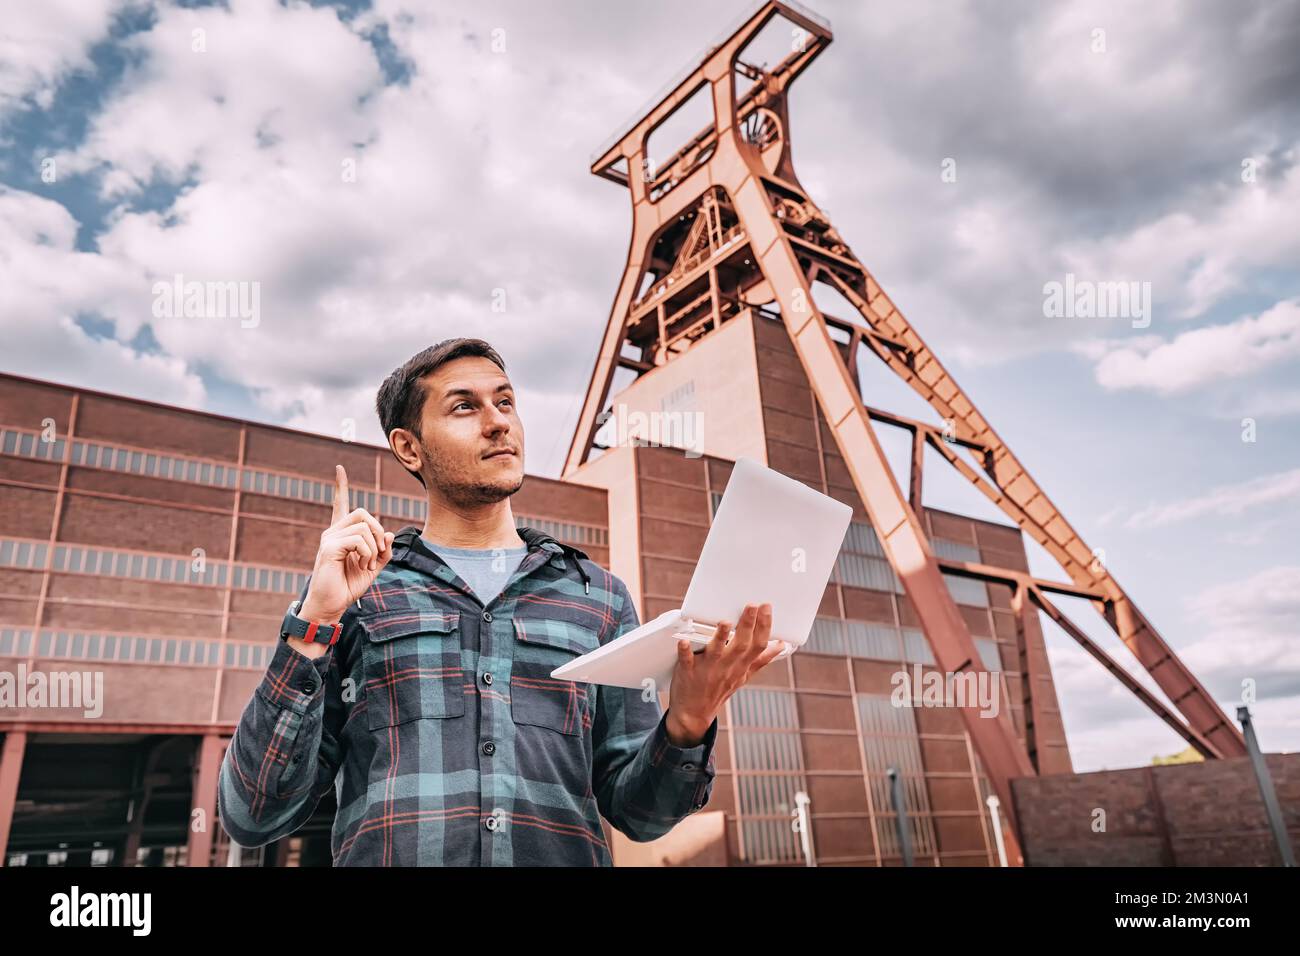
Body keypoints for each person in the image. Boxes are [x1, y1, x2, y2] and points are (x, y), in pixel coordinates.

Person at [217, 337, 782, 865]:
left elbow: (641, 815)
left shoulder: (598, 597)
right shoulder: (360, 595)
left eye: (506, 402)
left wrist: (688, 718)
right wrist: (314, 622)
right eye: (464, 407)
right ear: (409, 448)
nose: (497, 423)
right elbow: (254, 813)